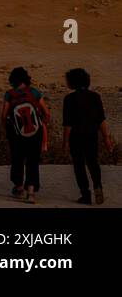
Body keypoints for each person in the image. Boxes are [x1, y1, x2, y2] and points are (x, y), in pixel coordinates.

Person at [62, 68, 113, 205]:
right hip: (91, 136)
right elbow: (101, 119)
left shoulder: (69, 99)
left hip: (76, 137)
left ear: (72, 82)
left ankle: (85, 195)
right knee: (93, 162)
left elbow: (68, 124)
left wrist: (65, 142)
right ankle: (98, 186)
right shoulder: (95, 97)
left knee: (79, 165)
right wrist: (106, 138)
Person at [2, 67, 50, 203]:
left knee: (17, 159)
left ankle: (18, 187)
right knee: (33, 161)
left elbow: (3, 115)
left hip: (17, 134)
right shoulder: (34, 92)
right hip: (35, 133)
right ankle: (31, 193)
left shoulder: (9, 94)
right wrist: (42, 124)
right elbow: (46, 113)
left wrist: (6, 128)